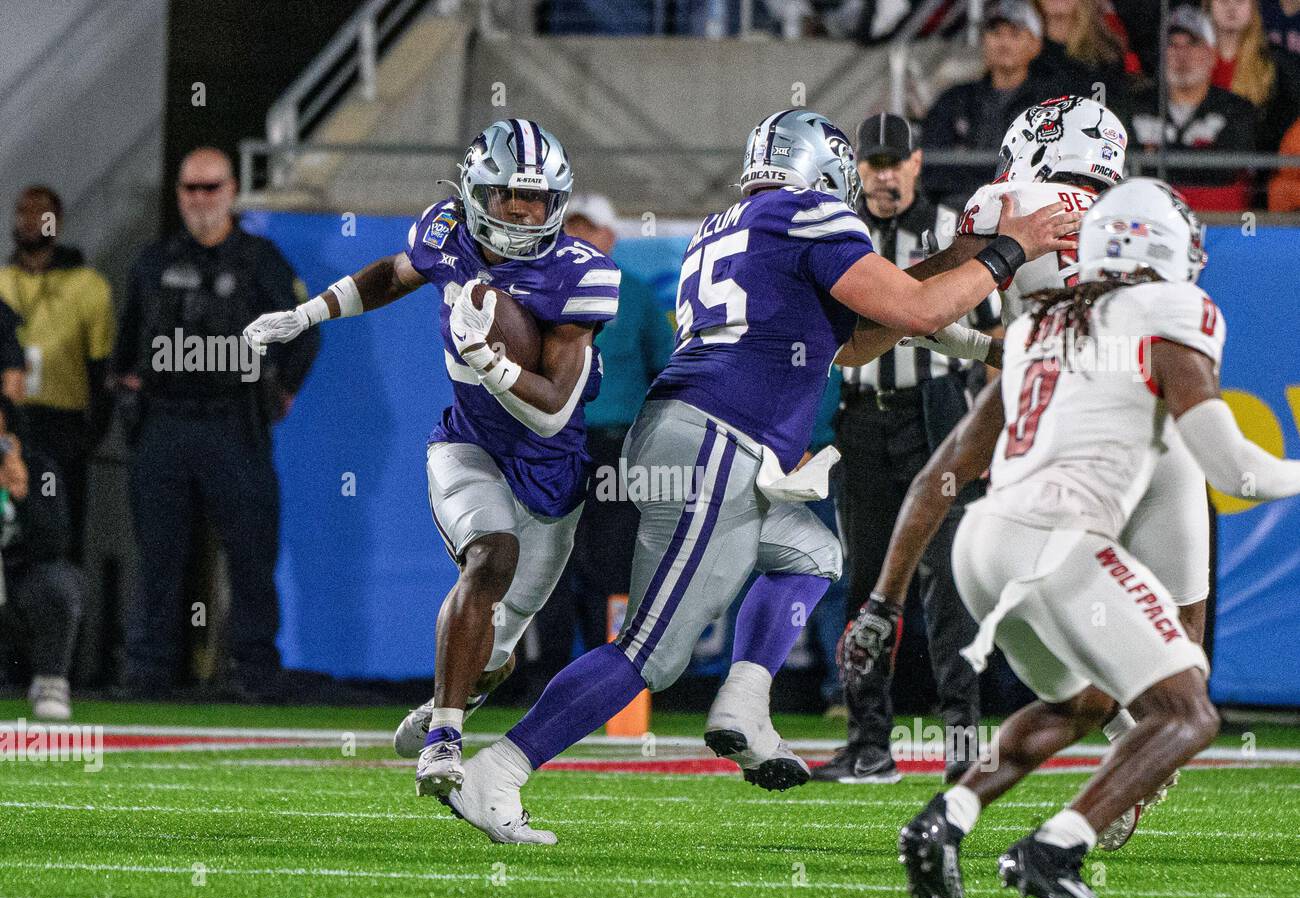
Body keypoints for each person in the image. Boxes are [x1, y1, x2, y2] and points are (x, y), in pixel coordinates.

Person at [433, 108, 1079, 845]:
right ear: (826, 173)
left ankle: (744, 700)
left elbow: (863, 340)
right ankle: (503, 767)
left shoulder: (734, 224)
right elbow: (914, 305)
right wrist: (1007, 250)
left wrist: (978, 296)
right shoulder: (808, 215)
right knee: (652, 650)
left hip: (701, 435)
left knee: (813, 553)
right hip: (714, 440)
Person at [894, 179, 1300, 898]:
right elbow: (1234, 469)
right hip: (1061, 548)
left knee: (1084, 698)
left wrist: (885, 597)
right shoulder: (1173, 310)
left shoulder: (1041, 324)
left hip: (984, 547)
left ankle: (945, 817)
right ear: (1164, 248)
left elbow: (950, 464)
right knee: (1189, 713)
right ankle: (1054, 847)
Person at [845, 98, 1207, 852]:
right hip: (1156, 435)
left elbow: (921, 303)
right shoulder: (1140, 213)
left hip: (1053, 432)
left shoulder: (1008, 202)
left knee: (1071, 673)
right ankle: (1117, 778)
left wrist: (872, 330)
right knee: (1182, 668)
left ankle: (987, 802)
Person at [244, 120, 620, 807]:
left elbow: (554, 411)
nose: (523, 211)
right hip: (467, 444)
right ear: (478, 193)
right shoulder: (447, 232)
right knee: (490, 557)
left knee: (495, 657)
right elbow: (394, 272)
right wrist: (306, 315)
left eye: (537, 200)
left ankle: (453, 698)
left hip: (551, 475)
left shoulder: (580, 273)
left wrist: (493, 363)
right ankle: (446, 739)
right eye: (508, 195)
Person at [114, 147, 319, 699]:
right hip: (166, 423)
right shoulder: (153, 262)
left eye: (210, 187)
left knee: (252, 554)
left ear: (231, 191)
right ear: (178, 193)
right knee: (157, 554)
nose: (200, 198)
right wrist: (128, 387)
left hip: (234, 423)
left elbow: (303, 327)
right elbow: (125, 343)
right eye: (190, 188)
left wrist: (283, 388)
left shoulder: (260, 259)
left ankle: (255, 671)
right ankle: (149, 669)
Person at [817, 112, 983, 785]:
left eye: (895, 161)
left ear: (916, 163)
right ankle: (869, 741)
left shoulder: (948, 231)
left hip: (938, 413)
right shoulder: (838, 231)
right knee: (865, 581)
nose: (884, 174)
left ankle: (965, 744)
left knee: (950, 581)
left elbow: (996, 332)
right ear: (857, 167)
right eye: (873, 162)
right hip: (861, 417)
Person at [527, 192, 674, 694]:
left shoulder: (633, 296)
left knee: (611, 561)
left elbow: (667, 371)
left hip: (615, 446)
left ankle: (605, 679)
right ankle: (545, 674)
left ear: (610, 238)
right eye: (572, 228)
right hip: (553, 442)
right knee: (549, 557)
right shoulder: (538, 290)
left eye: (590, 230)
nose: (579, 238)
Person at [0, 185, 115, 559]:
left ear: (58, 222)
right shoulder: (2, 282)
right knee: (9, 530)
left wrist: (91, 436)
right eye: (23, 211)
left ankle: (66, 613)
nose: (31, 219)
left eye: (41, 212)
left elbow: (103, 372)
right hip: (8, 426)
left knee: (58, 532)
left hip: (60, 430)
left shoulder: (88, 286)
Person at [922, 0, 1056, 208]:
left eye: (1014, 33)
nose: (1004, 43)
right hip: (959, 215)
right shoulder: (953, 100)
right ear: (984, 40)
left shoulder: (1051, 105)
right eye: (995, 33)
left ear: (1036, 44)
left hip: (1027, 212)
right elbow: (932, 170)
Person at [1125, 7, 1259, 211]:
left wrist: (1153, 156)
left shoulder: (1237, 109)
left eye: (1193, 44)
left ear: (1212, 54)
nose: (1182, 55)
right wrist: (1197, 158)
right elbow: (1124, 165)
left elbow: (1223, 173)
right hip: (1144, 218)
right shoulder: (1134, 105)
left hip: (1218, 225)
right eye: (1172, 45)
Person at [0, 395, 82, 720]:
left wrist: (21, 494)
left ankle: (51, 679)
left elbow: (55, 541)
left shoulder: (41, 471)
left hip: (21, 578)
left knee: (59, 584)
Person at [1206, 0, 1300, 151]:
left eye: (1240, 1)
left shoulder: (1277, 65)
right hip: (1201, 159)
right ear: (1208, 5)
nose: (1231, 7)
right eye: (1223, 1)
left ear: (1253, 7)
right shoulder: (1189, 61)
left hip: (1255, 161)